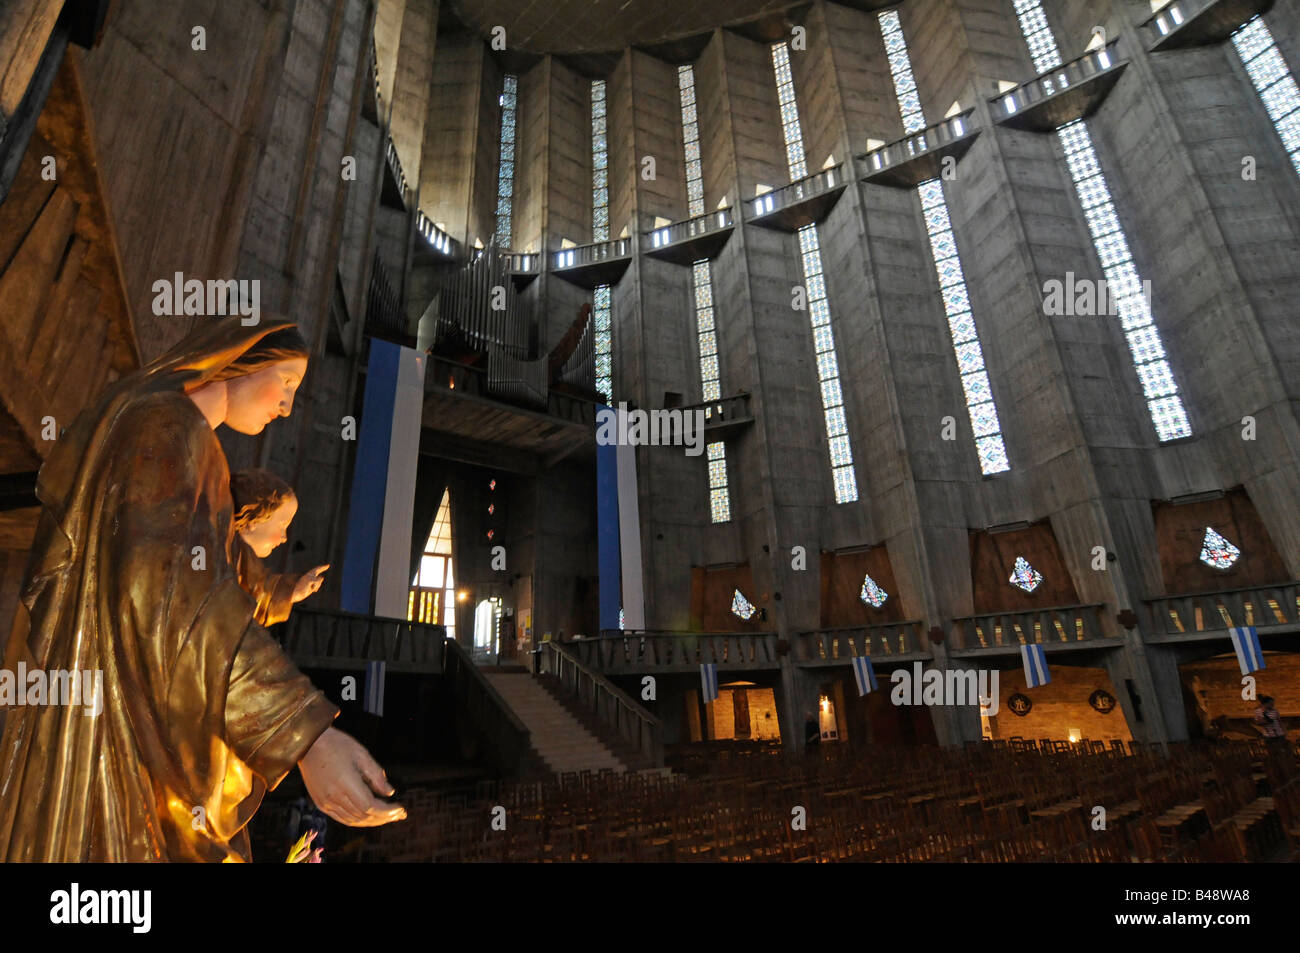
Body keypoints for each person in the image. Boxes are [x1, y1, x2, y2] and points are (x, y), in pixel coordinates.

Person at [0, 317, 404, 862]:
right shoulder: (169, 428)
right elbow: (172, 598)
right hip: (117, 737)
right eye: (285, 383)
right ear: (240, 358)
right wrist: (300, 733)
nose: (286, 407)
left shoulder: (176, 433)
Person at [230, 467, 328, 626]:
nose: (284, 538)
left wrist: (291, 592)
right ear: (255, 519)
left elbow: (252, 598)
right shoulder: (222, 556)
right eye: (282, 525)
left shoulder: (240, 561)